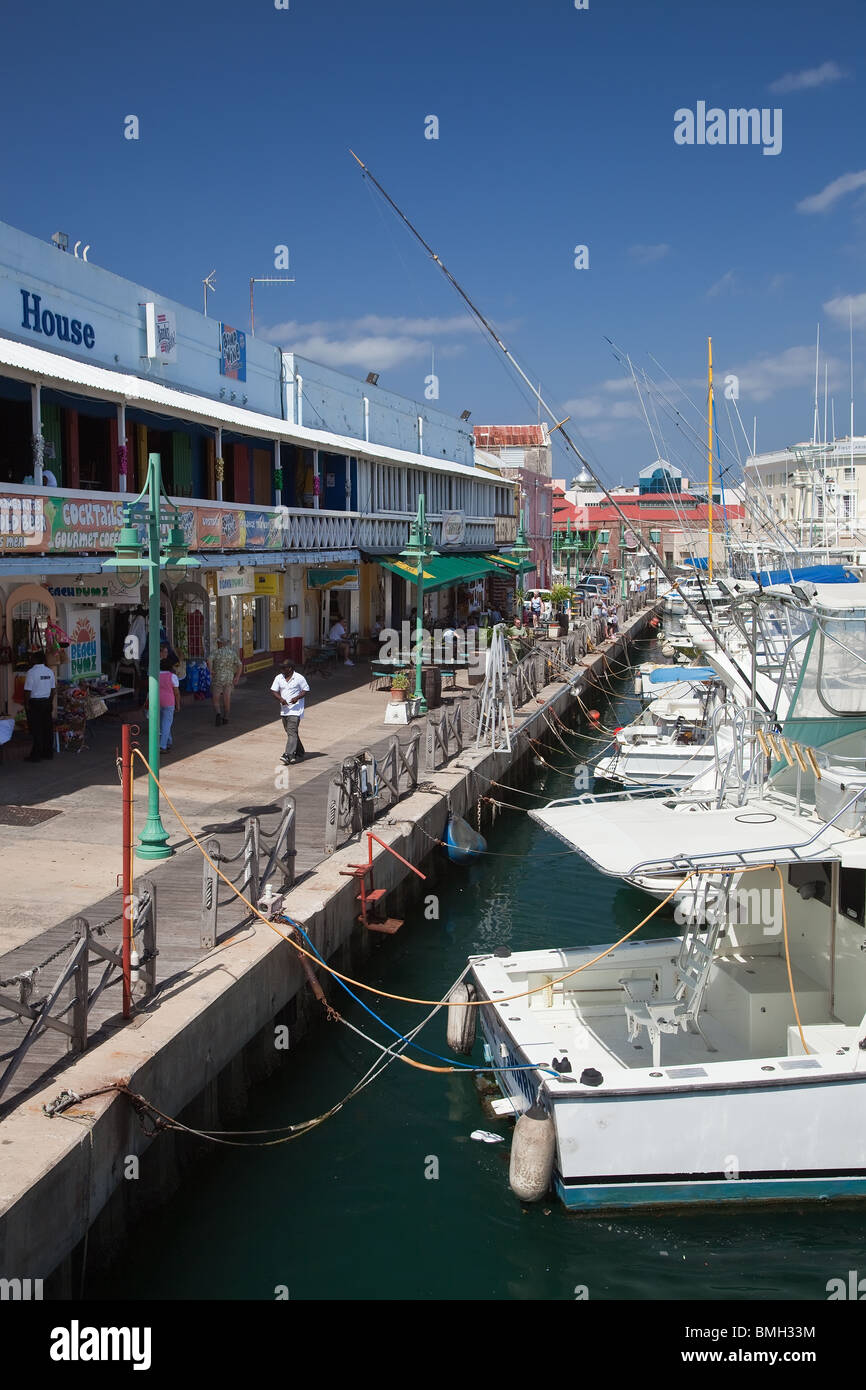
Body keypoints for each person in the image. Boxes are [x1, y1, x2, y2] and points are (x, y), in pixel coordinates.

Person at [271, 659, 311, 765]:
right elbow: (274, 691)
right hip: (284, 710)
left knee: (291, 731)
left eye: (284, 668)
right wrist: (280, 699)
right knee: (290, 732)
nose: (282, 669)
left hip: (296, 710)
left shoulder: (299, 678)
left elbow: (305, 690)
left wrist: (297, 697)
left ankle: (288, 754)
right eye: (281, 667)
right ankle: (300, 751)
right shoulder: (279, 677)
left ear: (290, 668)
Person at [23, 652, 56, 761]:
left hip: (35, 703)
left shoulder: (31, 672)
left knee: (36, 729)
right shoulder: (49, 671)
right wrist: (50, 701)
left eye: (32, 657)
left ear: (36, 659)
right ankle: (48, 753)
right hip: (46, 702)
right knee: (47, 728)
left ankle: (36, 755)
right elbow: (53, 690)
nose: (30, 659)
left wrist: (27, 704)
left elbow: (28, 691)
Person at [207, 637, 242, 726]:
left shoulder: (215, 652)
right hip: (229, 679)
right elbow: (240, 665)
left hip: (217, 678)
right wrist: (237, 677)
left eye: (218, 643)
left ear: (220, 643)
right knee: (227, 698)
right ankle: (226, 717)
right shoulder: (232, 653)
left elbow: (209, 660)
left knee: (216, 698)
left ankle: (218, 713)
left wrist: (210, 670)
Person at [157, 657, 180, 753]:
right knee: (167, 723)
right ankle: (162, 746)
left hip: (157, 701)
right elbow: (177, 693)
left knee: (164, 723)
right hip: (169, 702)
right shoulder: (172, 676)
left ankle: (168, 741)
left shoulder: (156, 675)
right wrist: (178, 704)